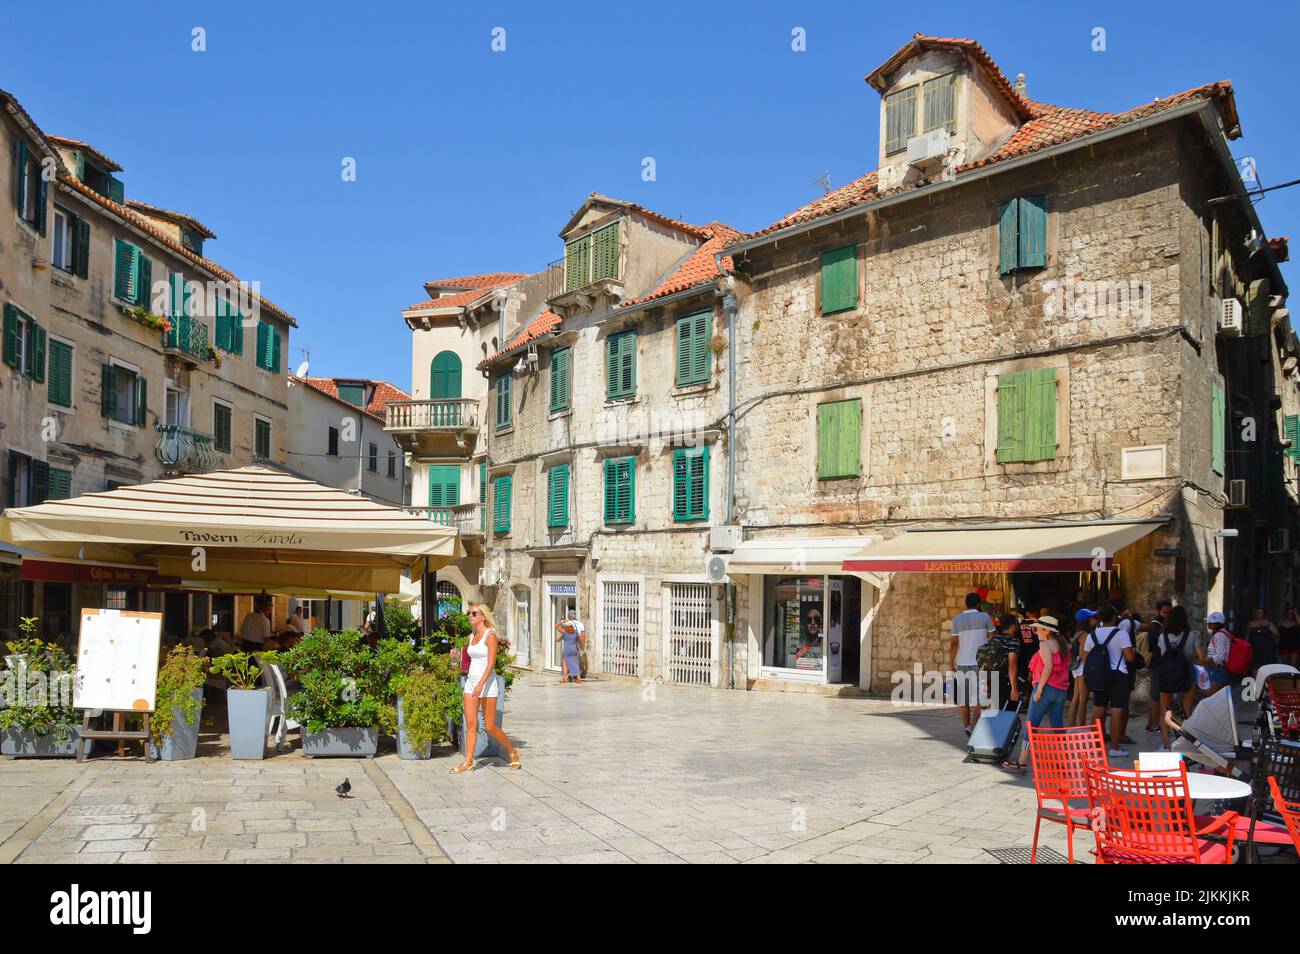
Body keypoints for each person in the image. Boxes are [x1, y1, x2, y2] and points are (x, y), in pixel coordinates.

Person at [451, 604, 521, 774]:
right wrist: (456, 656)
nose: (470, 616)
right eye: (470, 613)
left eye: (474, 613)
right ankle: (468, 762)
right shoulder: (471, 636)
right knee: (471, 724)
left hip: (487, 684)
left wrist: (481, 684)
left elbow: (490, 664)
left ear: (483, 616)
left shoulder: (490, 637)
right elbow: (469, 660)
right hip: (471, 683)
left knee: (490, 726)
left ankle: (513, 751)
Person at [1005, 615, 1068, 770]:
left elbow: (1048, 666)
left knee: (1031, 725)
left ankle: (1022, 761)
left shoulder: (1045, 645)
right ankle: (1064, 764)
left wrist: (1039, 690)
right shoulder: (1063, 644)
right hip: (1060, 691)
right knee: (1058, 727)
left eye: (1038, 629)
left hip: (1045, 689)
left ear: (1046, 631)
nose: (1035, 631)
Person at [1083, 605, 1136, 758]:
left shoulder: (1091, 636)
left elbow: (1086, 658)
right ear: (1114, 618)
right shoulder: (1121, 634)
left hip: (1099, 675)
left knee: (1098, 709)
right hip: (1119, 674)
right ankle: (1114, 747)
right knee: (1116, 711)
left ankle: (1096, 746)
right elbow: (1130, 657)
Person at [1154, 605, 1197, 751]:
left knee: (1165, 710)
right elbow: (1196, 655)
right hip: (1186, 674)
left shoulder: (1162, 636)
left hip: (1167, 674)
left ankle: (1166, 744)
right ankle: (1185, 743)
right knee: (1187, 712)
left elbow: (1161, 654)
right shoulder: (1191, 635)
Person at [950, 593, 993, 737]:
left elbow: (954, 643)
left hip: (962, 662)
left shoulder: (957, 620)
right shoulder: (985, 617)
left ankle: (967, 726)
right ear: (979, 604)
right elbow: (993, 636)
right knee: (984, 697)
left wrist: (951, 663)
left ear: (965, 604)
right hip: (981, 663)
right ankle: (973, 726)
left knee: (964, 699)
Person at [1068, 608, 1097, 726]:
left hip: (1076, 668)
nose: (1094, 620)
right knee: (1083, 699)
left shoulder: (1077, 633)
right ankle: (1082, 726)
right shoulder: (1085, 634)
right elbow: (1083, 655)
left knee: (1076, 697)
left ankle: (1071, 725)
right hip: (1082, 668)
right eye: (1092, 618)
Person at [1198, 611, 1234, 697]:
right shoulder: (1220, 634)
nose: (1208, 624)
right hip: (1217, 670)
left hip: (1218, 670)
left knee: (1209, 696)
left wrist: (1204, 661)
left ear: (1217, 624)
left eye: (1211, 622)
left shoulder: (1220, 636)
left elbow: (1219, 657)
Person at [555, 610, 586, 685]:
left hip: (567, 649)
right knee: (575, 662)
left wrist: (562, 622)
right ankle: (578, 677)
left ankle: (565, 678)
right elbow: (583, 636)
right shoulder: (577, 629)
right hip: (575, 648)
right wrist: (582, 646)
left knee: (565, 663)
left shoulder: (565, 632)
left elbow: (556, 627)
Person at [1246, 607, 1280, 672]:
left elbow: (1276, 633)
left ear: (1263, 614)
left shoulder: (1268, 623)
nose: (1259, 614)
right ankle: (1255, 681)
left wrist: (1269, 625)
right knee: (1255, 665)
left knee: (1266, 666)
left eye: (1260, 612)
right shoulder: (1251, 623)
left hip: (1266, 648)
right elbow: (1247, 636)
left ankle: (1265, 681)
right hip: (1254, 648)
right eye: (1257, 612)